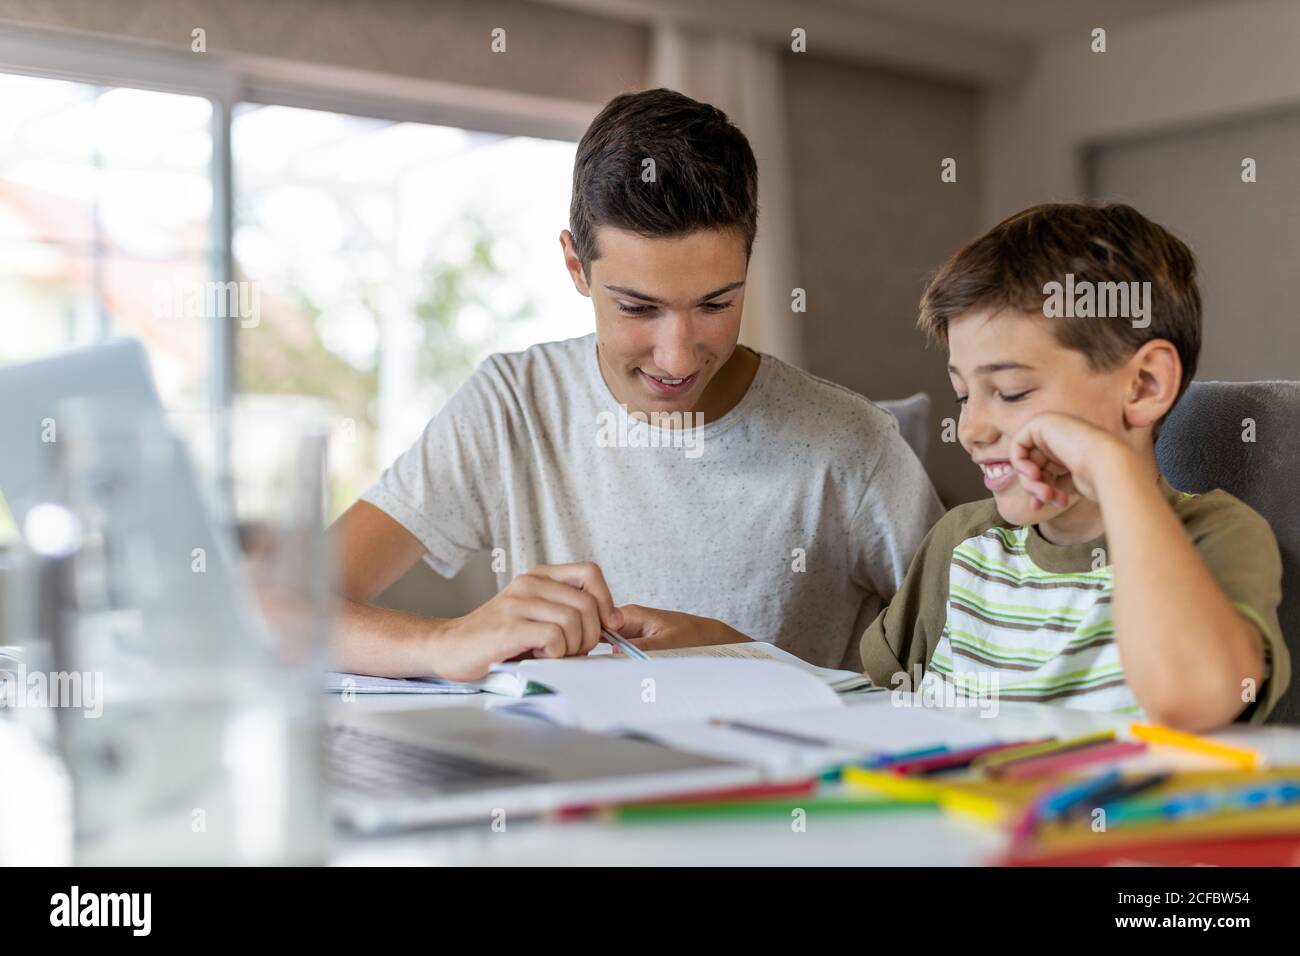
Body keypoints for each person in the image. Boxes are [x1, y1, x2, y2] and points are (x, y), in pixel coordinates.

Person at [328, 88, 941, 681]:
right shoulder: (512, 405)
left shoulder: (854, 444)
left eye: (715, 303)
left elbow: (1000, 663)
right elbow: (277, 606)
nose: (677, 358)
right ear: (576, 267)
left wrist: (745, 658)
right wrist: (447, 641)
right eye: (637, 308)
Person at [859, 202, 1289, 730]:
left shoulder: (1217, 536)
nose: (970, 429)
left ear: (1144, 386)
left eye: (1011, 392)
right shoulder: (962, 543)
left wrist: (1111, 469)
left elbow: (1189, 698)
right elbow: (868, 714)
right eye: (962, 396)